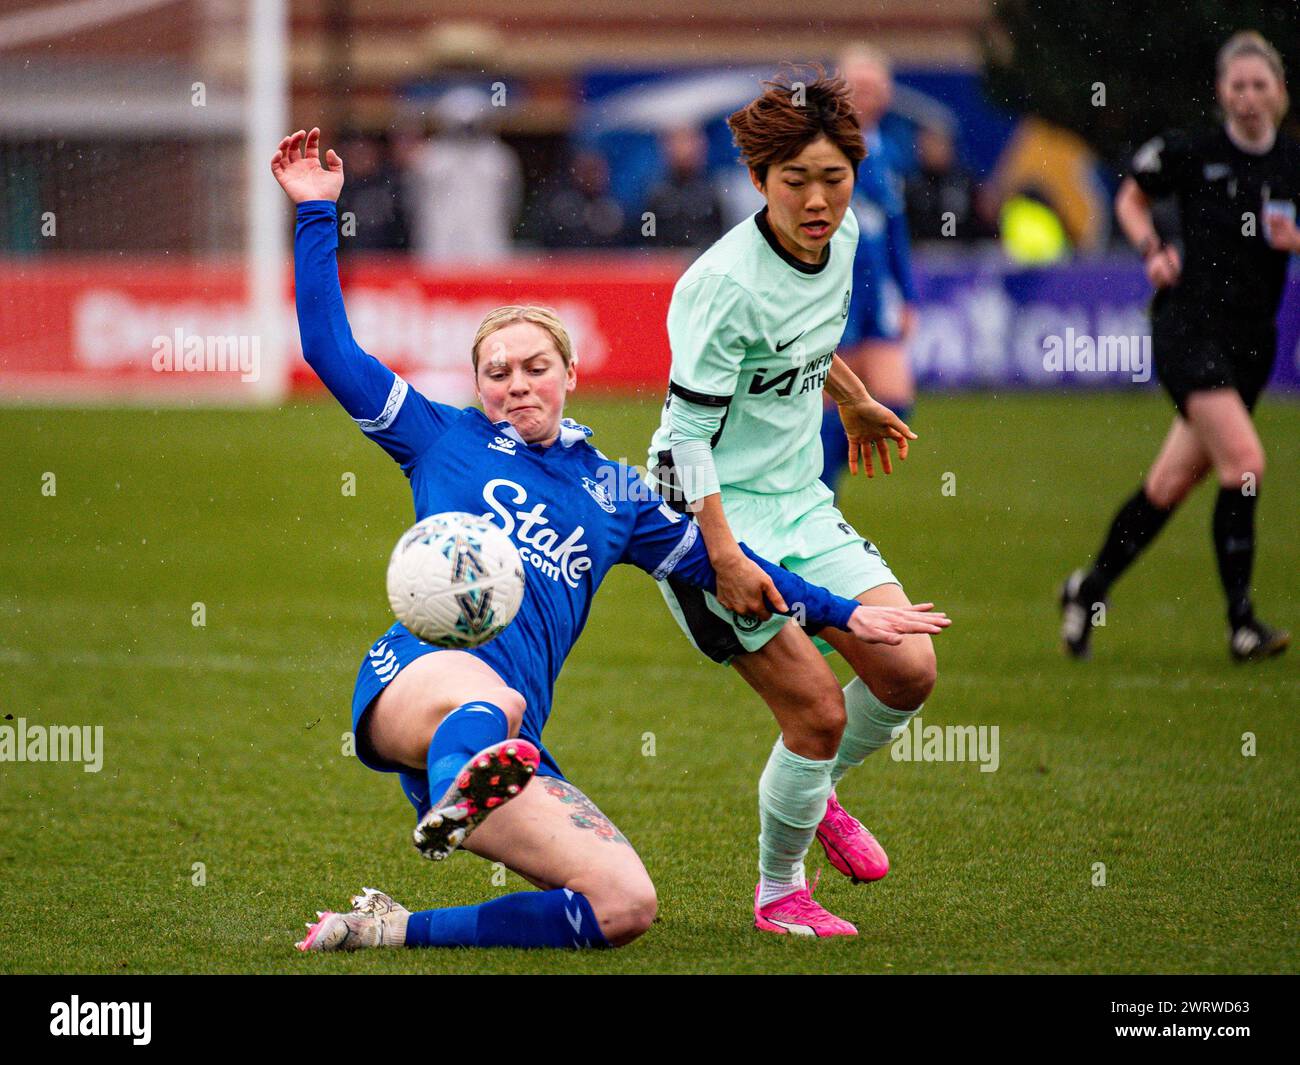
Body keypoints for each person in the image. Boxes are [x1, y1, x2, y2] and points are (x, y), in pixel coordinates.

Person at [271, 128, 949, 952]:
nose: (516, 383)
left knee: (623, 905)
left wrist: (846, 612)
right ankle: (459, 787)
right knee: (493, 695)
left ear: (569, 372)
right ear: (478, 387)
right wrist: (314, 214)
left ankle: (386, 927)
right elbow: (327, 349)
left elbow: (728, 568)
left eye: (533, 366)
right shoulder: (439, 437)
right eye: (496, 371)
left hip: (515, 752)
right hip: (418, 682)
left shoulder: (619, 495)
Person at [646, 68, 941, 937]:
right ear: (758, 182)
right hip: (703, 514)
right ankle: (780, 890)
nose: (817, 200)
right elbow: (687, 438)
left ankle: (816, 787)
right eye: (795, 182)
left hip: (797, 495)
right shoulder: (720, 285)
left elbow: (809, 335)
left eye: (834, 178)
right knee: (814, 710)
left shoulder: (844, 236)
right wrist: (724, 558)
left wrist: (848, 395)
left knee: (907, 670)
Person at [1060, 31, 1297, 663]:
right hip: (1188, 328)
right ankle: (1241, 623)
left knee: (1168, 486)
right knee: (1244, 464)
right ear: (1222, 92)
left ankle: (1088, 590)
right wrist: (1150, 249)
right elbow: (1131, 196)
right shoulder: (1192, 151)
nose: (1248, 97)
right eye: (1237, 85)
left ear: (1280, 92)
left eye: (1260, 84)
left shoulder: (1292, 164)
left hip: (1252, 343)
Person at [819, 44, 918, 492]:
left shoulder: (889, 150)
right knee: (826, 399)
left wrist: (908, 295)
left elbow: (895, 230)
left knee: (895, 397)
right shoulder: (824, 148)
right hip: (831, 289)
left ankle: (823, 483)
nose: (867, 97)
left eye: (875, 88)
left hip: (875, 291)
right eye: (857, 87)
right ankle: (818, 496)